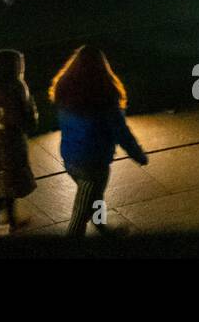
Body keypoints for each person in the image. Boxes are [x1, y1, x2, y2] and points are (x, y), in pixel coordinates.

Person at [49, 45, 148, 238]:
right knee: (80, 214)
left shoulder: (64, 90)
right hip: (94, 163)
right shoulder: (106, 99)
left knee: (95, 195)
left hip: (70, 158)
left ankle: (101, 225)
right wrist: (139, 155)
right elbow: (122, 133)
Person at [0, 49, 38, 237]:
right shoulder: (12, 91)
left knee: (4, 187)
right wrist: (30, 107)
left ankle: (11, 221)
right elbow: (24, 122)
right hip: (6, 148)